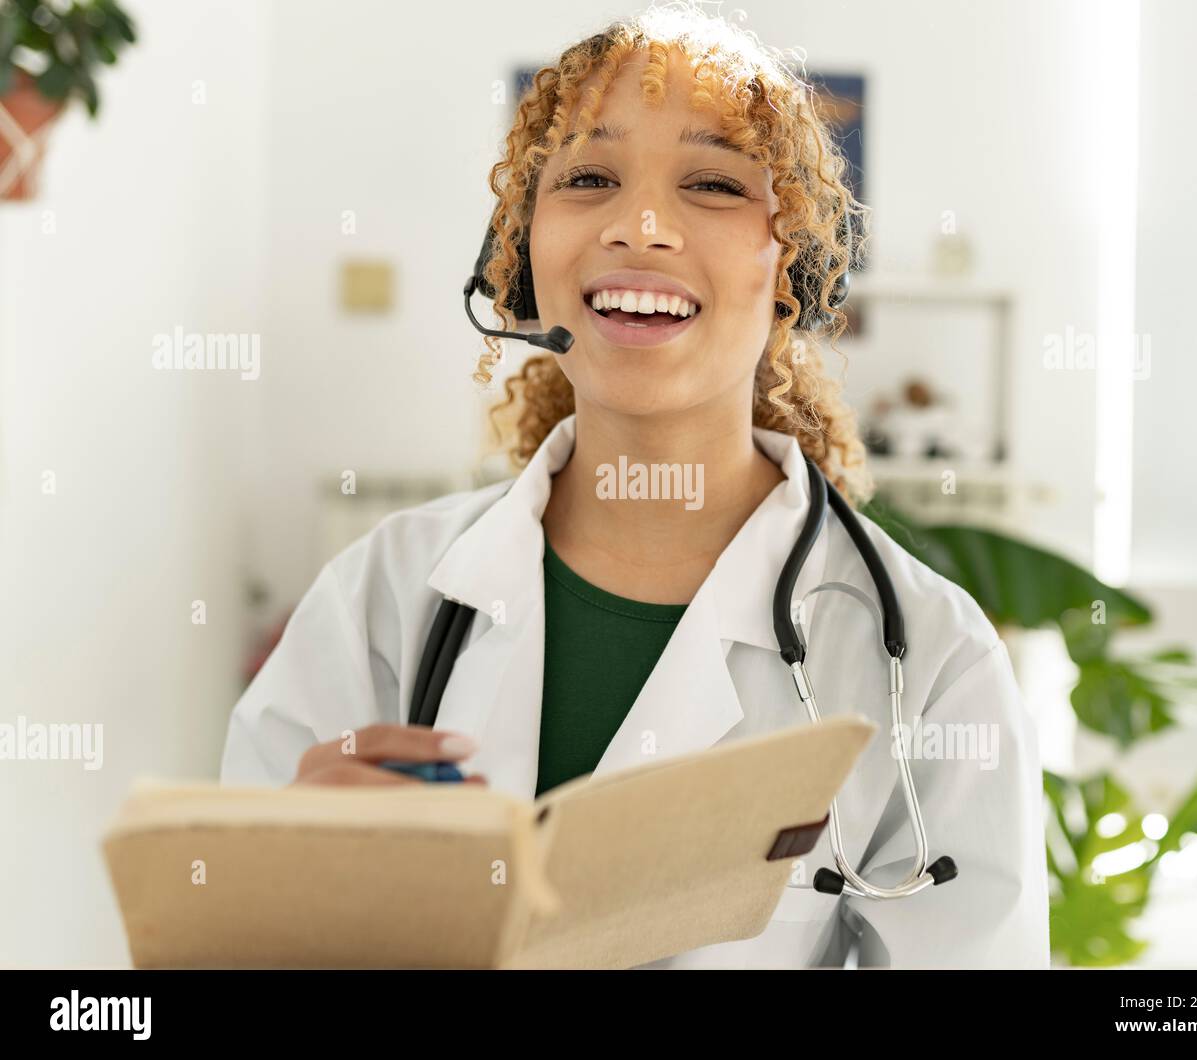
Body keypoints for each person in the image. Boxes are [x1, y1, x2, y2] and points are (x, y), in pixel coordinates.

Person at [221, 2, 1049, 969]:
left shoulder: (931, 662)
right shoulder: (384, 601)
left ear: (794, 267)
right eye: (588, 178)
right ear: (524, 257)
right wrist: (289, 892)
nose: (641, 228)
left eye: (710, 182)